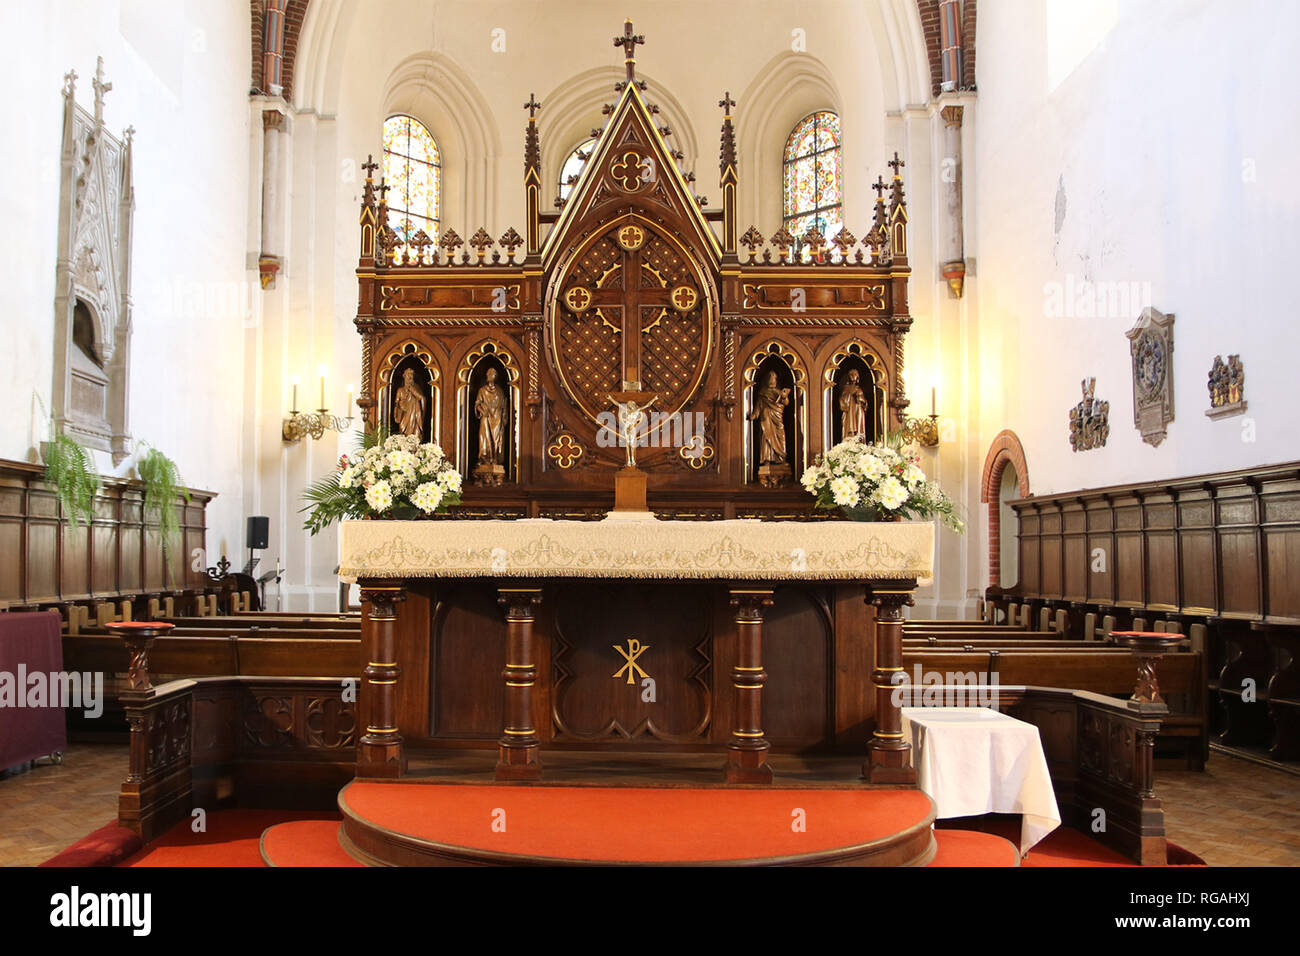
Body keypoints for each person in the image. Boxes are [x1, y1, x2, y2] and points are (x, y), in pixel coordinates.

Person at [749, 371, 791, 464]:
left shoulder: (779, 392)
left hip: (777, 418)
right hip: (766, 419)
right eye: (770, 377)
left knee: (780, 435)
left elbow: (786, 403)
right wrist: (754, 415)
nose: (771, 380)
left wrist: (784, 397)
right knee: (766, 437)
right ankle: (767, 459)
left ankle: (781, 457)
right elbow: (758, 407)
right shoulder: (763, 392)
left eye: (773, 377)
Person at [474, 367, 506, 464]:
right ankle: (484, 458)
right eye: (488, 374)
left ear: (495, 376)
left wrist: (503, 416)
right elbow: (477, 404)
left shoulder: (500, 391)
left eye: (492, 374)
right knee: (484, 437)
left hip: (496, 417)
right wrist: (482, 411)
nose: (489, 375)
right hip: (485, 417)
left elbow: (504, 405)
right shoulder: (482, 390)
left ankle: (495, 459)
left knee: (496, 438)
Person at [393, 367, 426, 438]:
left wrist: (413, 391)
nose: (410, 376)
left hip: (415, 416)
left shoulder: (416, 388)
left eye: (411, 374)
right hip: (403, 415)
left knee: (415, 436)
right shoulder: (400, 390)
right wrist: (396, 413)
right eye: (408, 374)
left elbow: (422, 398)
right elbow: (397, 403)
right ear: (404, 376)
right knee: (403, 433)